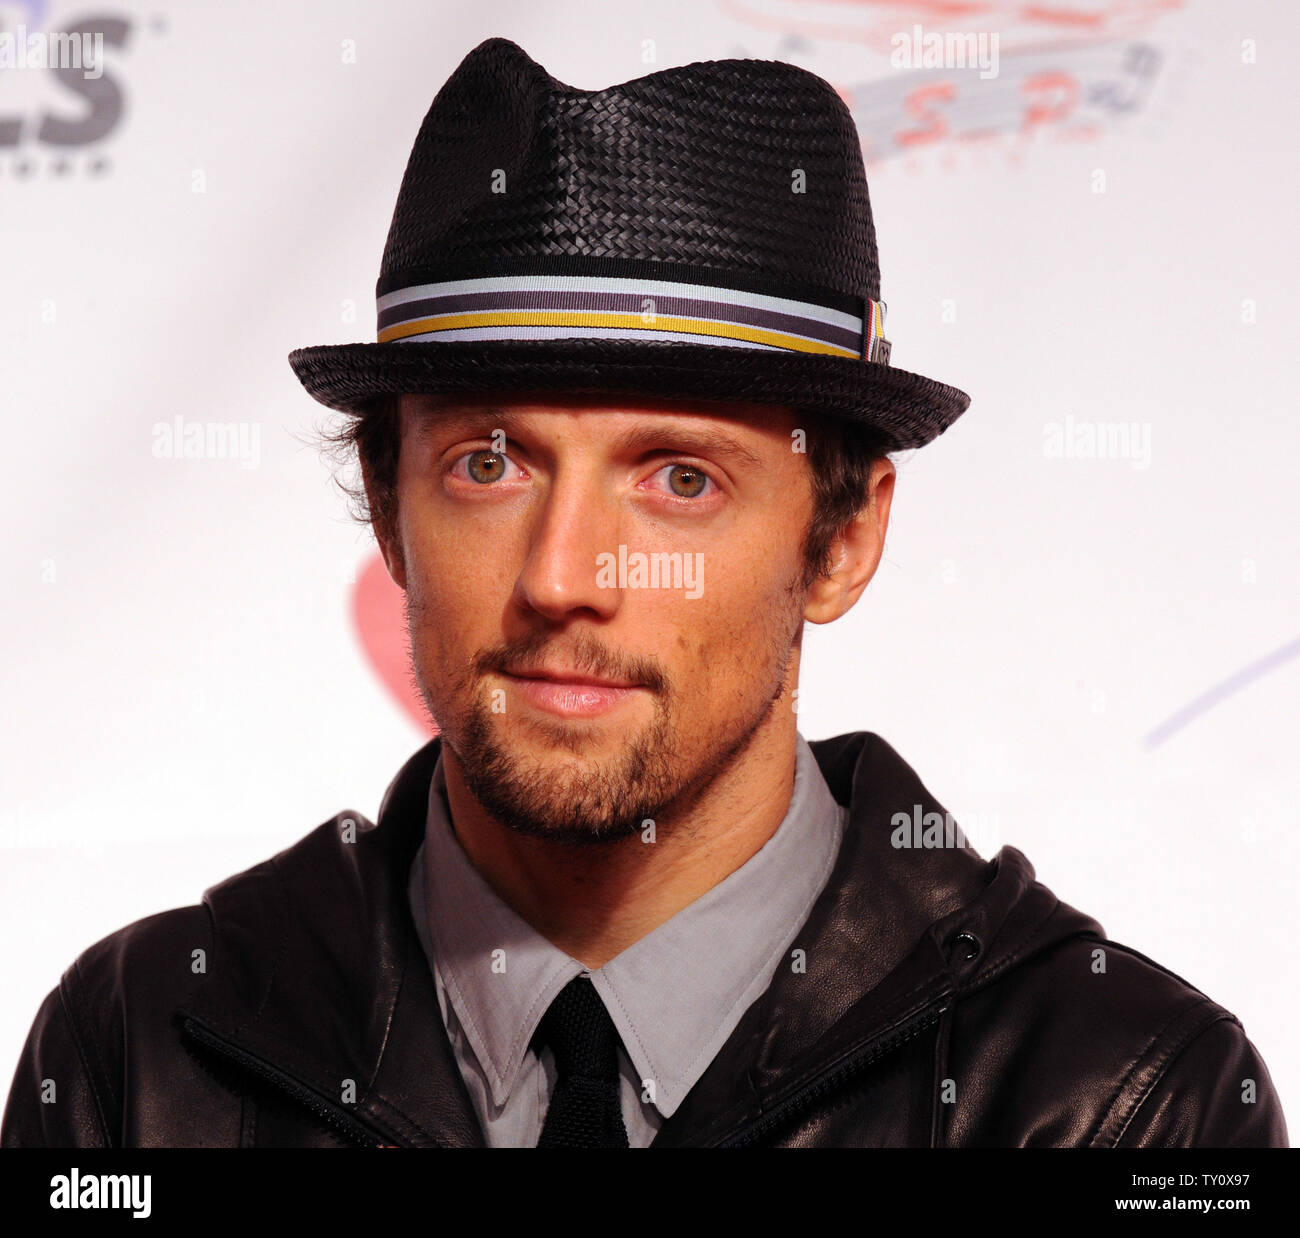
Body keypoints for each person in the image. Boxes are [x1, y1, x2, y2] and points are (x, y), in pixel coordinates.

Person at [2, 37, 1287, 1149]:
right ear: (391, 511)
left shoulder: (1115, 1099)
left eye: (679, 477)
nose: (564, 578)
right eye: (488, 462)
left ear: (840, 542)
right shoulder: (146, 1053)